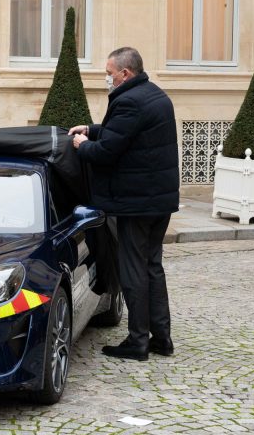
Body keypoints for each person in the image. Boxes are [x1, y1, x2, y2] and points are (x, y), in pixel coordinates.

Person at [69, 47, 179, 361]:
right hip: (159, 201)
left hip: (137, 203)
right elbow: (127, 135)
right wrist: (92, 129)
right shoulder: (153, 94)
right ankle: (161, 338)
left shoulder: (129, 100)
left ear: (125, 73)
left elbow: (107, 152)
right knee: (152, 268)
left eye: (109, 73)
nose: (107, 78)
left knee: (132, 271)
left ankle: (137, 342)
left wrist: (83, 145)